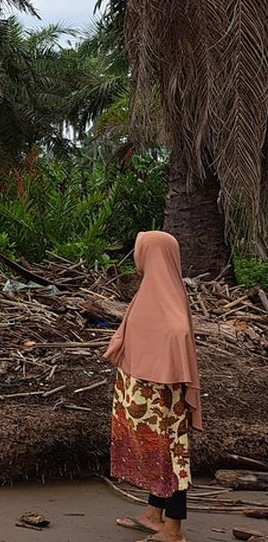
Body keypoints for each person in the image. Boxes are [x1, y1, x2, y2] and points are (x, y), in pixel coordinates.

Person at [106, 230, 201, 542]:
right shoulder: (152, 291)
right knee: (154, 451)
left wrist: (162, 373)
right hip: (143, 398)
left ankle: (173, 530)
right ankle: (153, 514)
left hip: (162, 401)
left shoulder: (168, 301)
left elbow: (176, 334)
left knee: (171, 456)